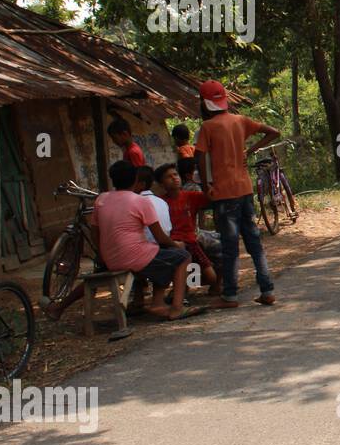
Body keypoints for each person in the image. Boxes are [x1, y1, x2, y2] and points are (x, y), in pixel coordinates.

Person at [193, 79, 280, 308]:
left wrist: (204, 186)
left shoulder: (208, 127)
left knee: (230, 246)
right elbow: (274, 132)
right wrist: (249, 150)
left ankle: (230, 295)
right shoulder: (240, 121)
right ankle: (267, 290)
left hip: (223, 193)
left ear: (204, 103)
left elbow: (199, 156)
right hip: (245, 190)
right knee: (254, 244)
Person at [88, 160, 200, 321]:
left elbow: (94, 233)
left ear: (113, 180)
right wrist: (177, 244)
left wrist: (102, 253)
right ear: (135, 180)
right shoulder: (140, 201)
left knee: (161, 255)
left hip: (111, 259)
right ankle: (176, 307)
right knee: (182, 256)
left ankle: (153, 302)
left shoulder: (101, 199)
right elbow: (160, 236)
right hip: (135, 257)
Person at [157, 162, 218, 295]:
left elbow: (211, 197)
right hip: (172, 244)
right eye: (169, 176)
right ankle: (182, 288)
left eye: (175, 174)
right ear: (162, 184)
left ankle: (198, 285)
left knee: (211, 276)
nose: (174, 178)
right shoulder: (160, 202)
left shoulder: (190, 196)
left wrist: (208, 185)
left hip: (191, 242)